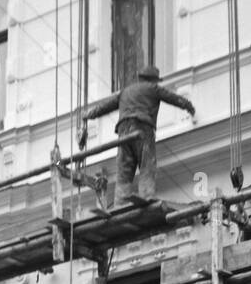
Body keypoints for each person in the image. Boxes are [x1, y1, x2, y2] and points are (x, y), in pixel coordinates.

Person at [81, 64, 196, 203]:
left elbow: (105, 106)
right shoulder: (153, 88)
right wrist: (188, 106)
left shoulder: (125, 91)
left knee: (124, 167)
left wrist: (89, 115)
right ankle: (147, 195)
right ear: (153, 79)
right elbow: (172, 98)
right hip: (142, 128)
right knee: (147, 163)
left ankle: (121, 200)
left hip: (123, 131)